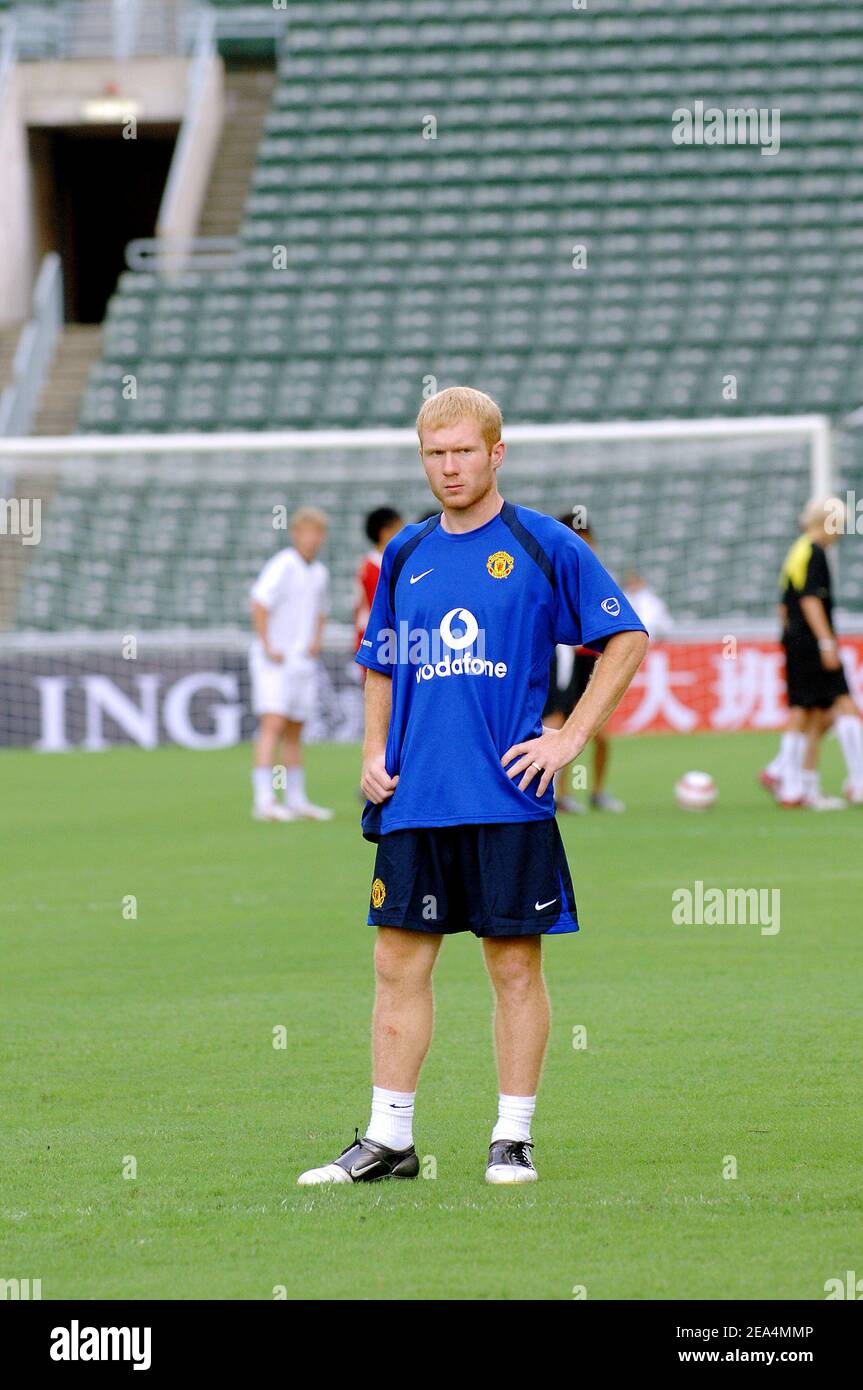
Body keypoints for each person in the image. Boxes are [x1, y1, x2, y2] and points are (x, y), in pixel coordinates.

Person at [297, 387, 647, 1187]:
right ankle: (389, 1140)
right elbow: (380, 657)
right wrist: (372, 748)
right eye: (434, 453)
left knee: (513, 966)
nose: (448, 467)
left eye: (462, 451)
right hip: (414, 797)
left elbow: (624, 636)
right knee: (395, 965)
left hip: (505, 797)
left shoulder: (540, 542)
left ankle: (511, 1138)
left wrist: (568, 737)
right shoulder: (405, 552)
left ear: (495, 453)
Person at [769, 496, 863, 808]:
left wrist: (789, 638)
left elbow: (784, 604)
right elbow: (810, 600)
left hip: (796, 641)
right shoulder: (814, 552)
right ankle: (855, 782)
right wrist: (826, 642)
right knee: (843, 705)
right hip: (811, 642)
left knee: (808, 711)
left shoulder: (797, 550)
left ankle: (794, 782)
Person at [248, 506, 334, 822]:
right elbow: (259, 602)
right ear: (295, 533)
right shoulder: (283, 564)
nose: (312, 539)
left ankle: (296, 798)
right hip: (275, 661)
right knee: (273, 724)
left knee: (296, 729)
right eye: (307, 531)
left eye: (318, 533)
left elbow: (322, 610)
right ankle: (264, 799)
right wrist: (268, 643)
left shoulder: (319, 572)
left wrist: (316, 640)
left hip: (302, 662)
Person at [542, 513, 627, 813]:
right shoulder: (549, 575)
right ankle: (556, 793)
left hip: (590, 661)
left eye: (588, 543)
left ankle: (597, 791)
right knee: (555, 724)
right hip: (563, 658)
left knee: (598, 731)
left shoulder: (595, 575)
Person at [353, 507, 404, 668]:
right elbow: (381, 607)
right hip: (376, 637)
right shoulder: (374, 566)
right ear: (385, 532)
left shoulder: (377, 562)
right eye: (398, 528)